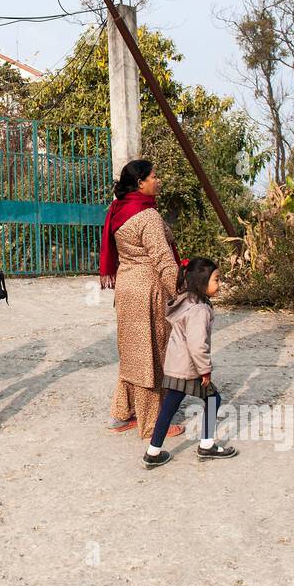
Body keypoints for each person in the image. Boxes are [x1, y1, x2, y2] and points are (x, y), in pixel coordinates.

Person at [99, 159, 184, 444]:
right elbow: (163, 259)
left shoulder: (119, 210)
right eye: (154, 177)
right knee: (150, 356)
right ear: (140, 183)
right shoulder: (146, 216)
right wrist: (182, 295)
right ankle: (151, 424)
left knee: (134, 354)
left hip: (126, 290)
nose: (157, 181)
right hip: (149, 291)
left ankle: (121, 414)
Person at [143, 257, 238, 467]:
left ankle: (153, 451)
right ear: (201, 282)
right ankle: (206, 445)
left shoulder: (186, 300)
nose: (219, 284)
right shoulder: (199, 310)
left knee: (169, 408)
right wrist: (205, 371)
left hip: (175, 365)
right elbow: (197, 345)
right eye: (216, 279)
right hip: (190, 368)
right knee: (214, 399)